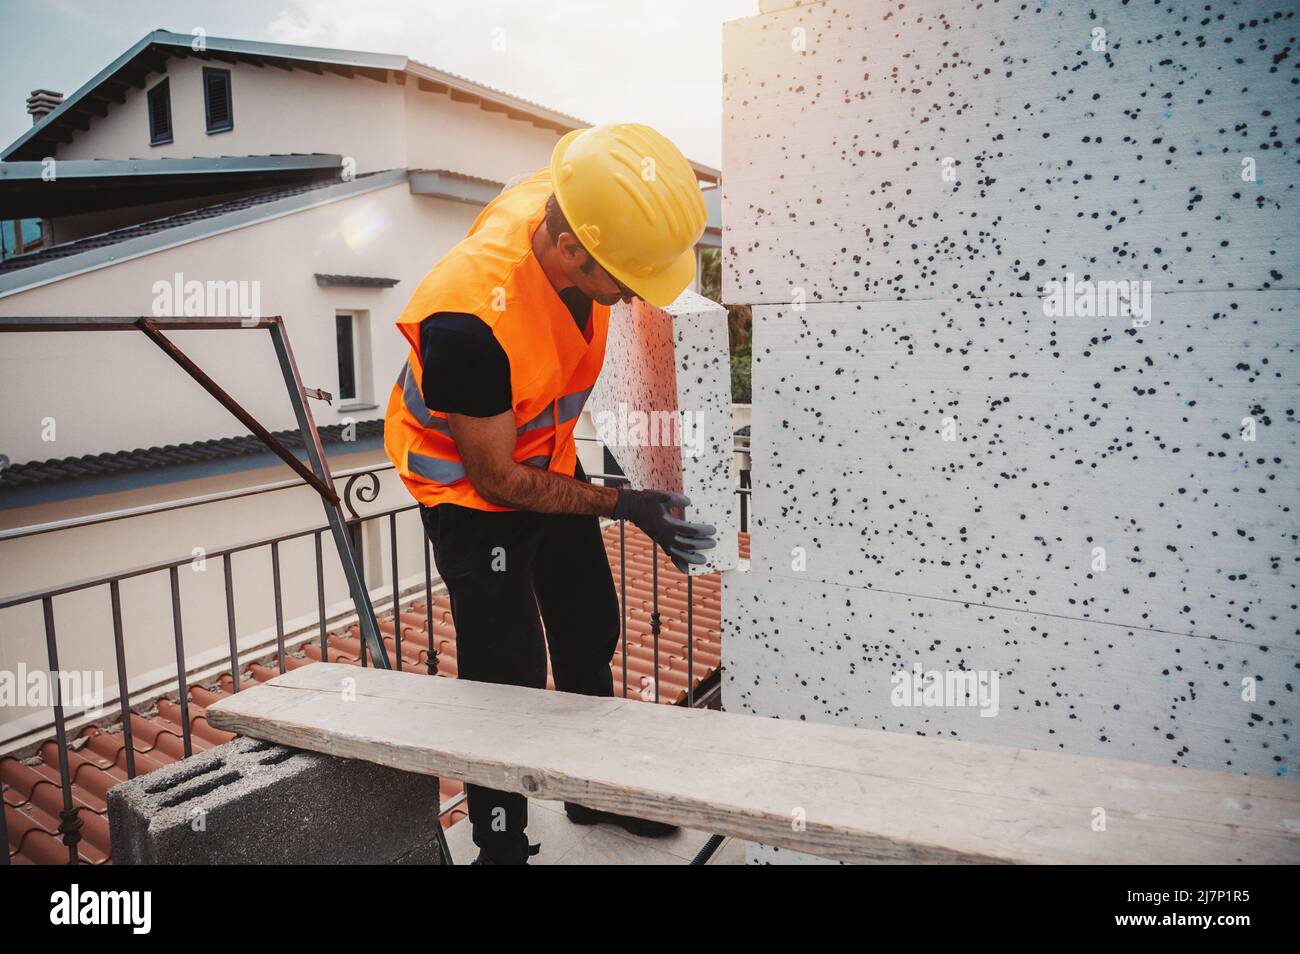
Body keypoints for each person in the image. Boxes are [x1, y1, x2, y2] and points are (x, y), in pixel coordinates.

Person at [383, 123, 717, 864]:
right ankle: (500, 844)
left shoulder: (570, 200)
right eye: (626, 277)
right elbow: (497, 478)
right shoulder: (466, 321)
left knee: (587, 626)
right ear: (571, 251)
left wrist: (620, 488)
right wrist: (623, 505)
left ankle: (590, 791)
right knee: (505, 680)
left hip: (549, 464)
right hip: (474, 501)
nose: (634, 293)